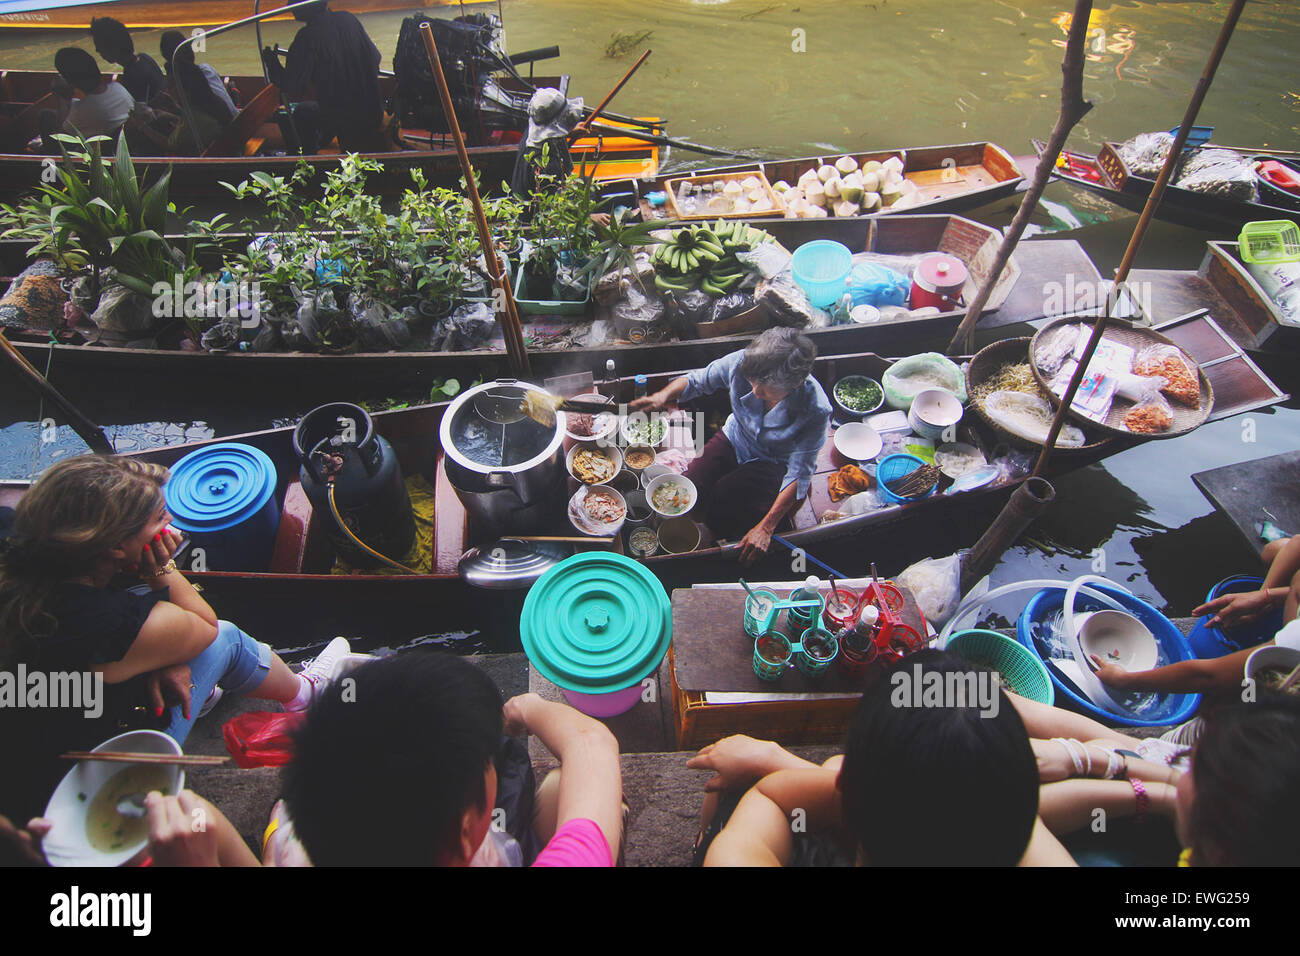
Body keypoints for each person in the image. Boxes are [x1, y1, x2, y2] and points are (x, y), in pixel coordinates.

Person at [0, 455, 349, 828]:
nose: (172, 524)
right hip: (78, 793)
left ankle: (193, 685)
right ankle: (304, 695)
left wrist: (162, 654)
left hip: (30, 732)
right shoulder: (97, 621)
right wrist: (160, 569)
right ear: (116, 548)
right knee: (227, 639)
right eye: (160, 518)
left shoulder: (17, 544)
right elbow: (204, 627)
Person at [691, 650, 1041, 866]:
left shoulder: (731, 860)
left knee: (735, 791)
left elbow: (769, 795)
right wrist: (1085, 760)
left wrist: (774, 758)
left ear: (843, 784)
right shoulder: (997, 833)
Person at [632, 327, 831, 563]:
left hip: (775, 461)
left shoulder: (816, 409)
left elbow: (800, 473)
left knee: (726, 504)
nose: (755, 392)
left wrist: (765, 529)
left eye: (767, 391)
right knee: (690, 489)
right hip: (736, 436)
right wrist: (662, 396)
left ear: (795, 385)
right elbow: (696, 381)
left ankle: (717, 536)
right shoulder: (744, 362)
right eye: (752, 383)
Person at [277, 0, 386, 154]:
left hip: (347, 118)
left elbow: (292, 86)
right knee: (328, 106)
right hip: (374, 111)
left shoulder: (306, 37)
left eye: (293, 3)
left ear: (306, 7)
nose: (289, 6)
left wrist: (272, 65)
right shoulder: (348, 18)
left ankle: (309, 162)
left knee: (302, 112)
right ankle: (324, 139)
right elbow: (376, 59)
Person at [154, 31, 236, 153]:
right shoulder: (204, 86)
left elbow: (172, 145)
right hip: (230, 134)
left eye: (171, 87)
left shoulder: (192, 125)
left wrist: (141, 125)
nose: (168, 89)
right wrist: (176, 109)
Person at [44, 47, 135, 144]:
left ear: (70, 80)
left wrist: (61, 98)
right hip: (120, 141)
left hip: (99, 149)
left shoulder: (82, 110)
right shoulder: (118, 88)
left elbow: (61, 137)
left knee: (45, 115)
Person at [510, 87, 581, 197]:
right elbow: (552, 208)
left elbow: (549, 134)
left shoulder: (530, 131)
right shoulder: (548, 166)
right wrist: (590, 215)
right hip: (533, 211)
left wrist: (569, 132)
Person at [89, 16, 165, 103]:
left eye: (99, 45)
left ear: (113, 47)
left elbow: (140, 110)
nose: (97, 50)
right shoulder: (144, 58)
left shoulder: (133, 77)